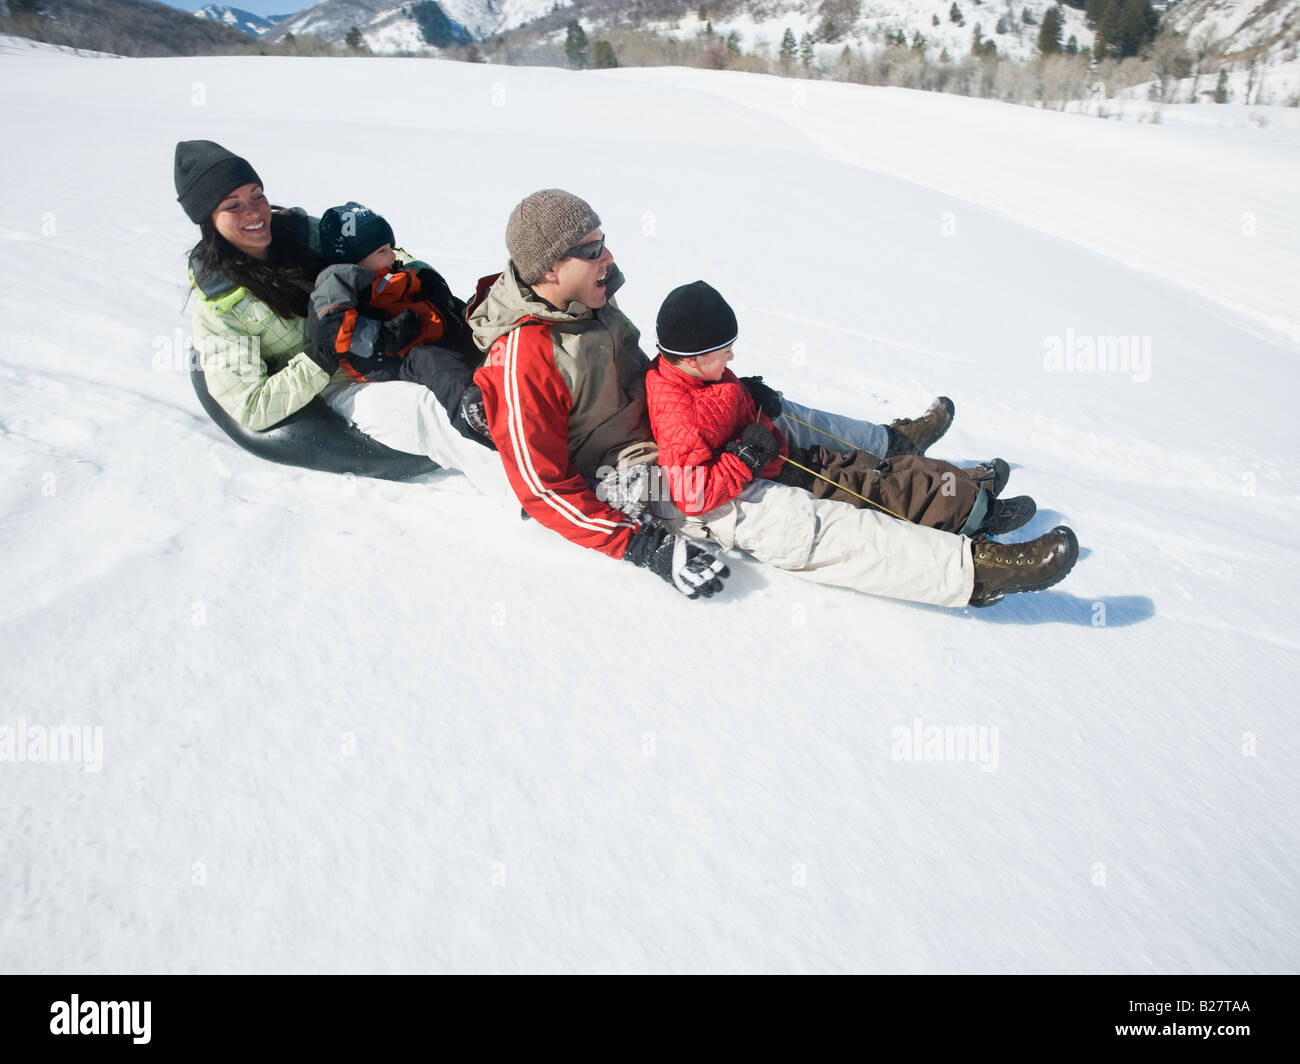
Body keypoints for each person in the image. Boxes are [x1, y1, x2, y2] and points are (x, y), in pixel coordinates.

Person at [469, 189, 1079, 608]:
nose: (609, 256)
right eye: (592, 248)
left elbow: (631, 376)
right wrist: (644, 546)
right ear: (551, 269)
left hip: (664, 425)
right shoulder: (522, 357)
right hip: (635, 477)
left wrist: (701, 384)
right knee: (785, 516)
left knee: (773, 410)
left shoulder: (590, 305)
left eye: (605, 241)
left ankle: (894, 445)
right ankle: (975, 571)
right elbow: (541, 486)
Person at [175, 140, 503, 486]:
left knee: (491, 352)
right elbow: (251, 406)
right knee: (429, 411)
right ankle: (534, 492)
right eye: (233, 205)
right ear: (207, 218)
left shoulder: (305, 234)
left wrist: (421, 279)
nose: (254, 212)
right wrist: (322, 358)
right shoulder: (220, 309)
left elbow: (378, 255)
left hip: (395, 347)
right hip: (339, 385)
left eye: (257, 195)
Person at [645, 280, 1038, 537]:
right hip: (779, 478)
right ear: (692, 358)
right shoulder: (679, 416)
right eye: (723, 351)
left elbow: (731, 419)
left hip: (788, 457)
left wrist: (752, 399)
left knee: (870, 465)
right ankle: (973, 514)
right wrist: (744, 458)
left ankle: (963, 484)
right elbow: (691, 494)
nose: (732, 356)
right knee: (877, 490)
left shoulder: (699, 376)